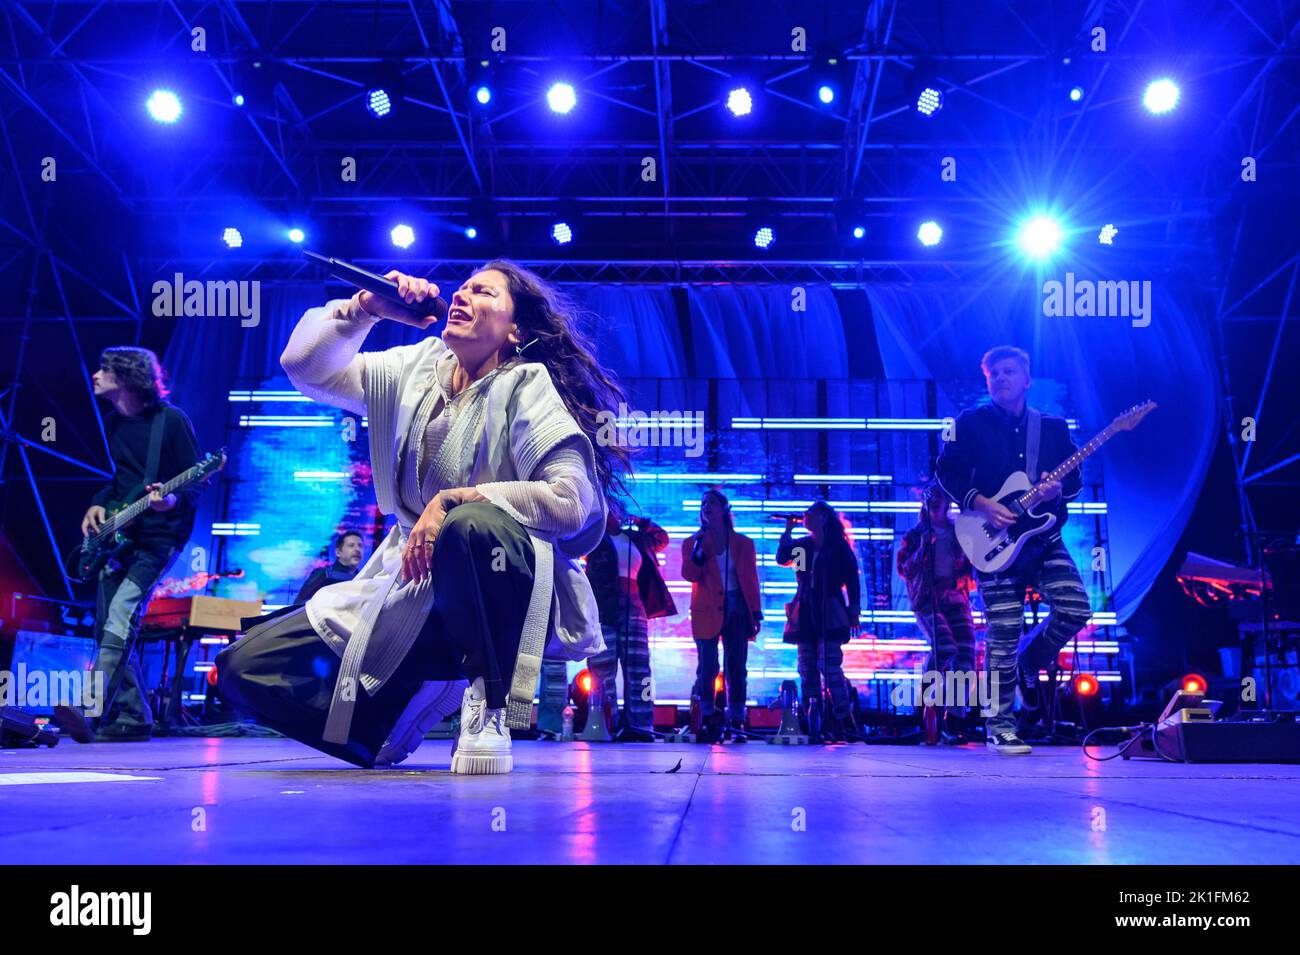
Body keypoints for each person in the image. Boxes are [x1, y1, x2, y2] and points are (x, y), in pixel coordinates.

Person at [217, 261, 628, 774]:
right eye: (462, 288)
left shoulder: (529, 383)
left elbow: (573, 502)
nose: (462, 295)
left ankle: (487, 704)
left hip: (500, 582)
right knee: (241, 669)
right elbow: (306, 368)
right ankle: (382, 722)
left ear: (515, 328)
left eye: (484, 292)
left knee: (473, 523)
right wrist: (367, 309)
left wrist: (458, 499)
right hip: (407, 590)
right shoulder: (414, 369)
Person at [935, 345, 1091, 755]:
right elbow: (945, 471)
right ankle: (999, 725)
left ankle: (1029, 662)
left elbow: (1075, 481)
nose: (1001, 379)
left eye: (1008, 372)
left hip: (1042, 538)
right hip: (993, 541)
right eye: (993, 375)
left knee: (1076, 608)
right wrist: (981, 502)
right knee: (1002, 632)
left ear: (1026, 379)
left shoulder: (1053, 428)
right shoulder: (969, 424)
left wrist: (1060, 488)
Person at [61, 347, 202, 743]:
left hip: (161, 538)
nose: (95, 374)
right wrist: (97, 502)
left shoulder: (170, 421)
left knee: (122, 613)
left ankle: (89, 708)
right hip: (121, 537)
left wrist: (169, 499)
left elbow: (196, 480)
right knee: (110, 626)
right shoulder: (114, 423)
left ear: (126, 376)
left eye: (104, 368)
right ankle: (135, 716)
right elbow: (119, 480)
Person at [584, 509, 676, 741]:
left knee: (639, 669)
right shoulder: (594, 539)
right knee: (602, 669)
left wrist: (641, 521)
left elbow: (662, 539)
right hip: (604, 607)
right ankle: (606, 723)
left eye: (616, 508)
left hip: (634, 606)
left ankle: (641, 725)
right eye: (608, 508)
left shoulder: (634, 537)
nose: (613, 512)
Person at [680, 489, 762, 743]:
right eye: (703, 503)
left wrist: (756, 613)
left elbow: (750, 579)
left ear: (724, 509)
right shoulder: (693, 542)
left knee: (736, 666)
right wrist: (698, 551)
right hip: (706, 610)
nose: (706, 507)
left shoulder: (743, 543)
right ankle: (707, 716)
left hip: (737, 608)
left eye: (712, 503)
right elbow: (689, 575)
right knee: (708, 667)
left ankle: (736, 717)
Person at [896, 487, 977, 742]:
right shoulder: (915, 535)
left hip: (956, 598)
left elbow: (974, 564)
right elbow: (904, 569)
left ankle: (954, 717)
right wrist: (922, 548)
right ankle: (926, 706)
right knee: (944, 647)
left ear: (946, 504)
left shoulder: (959, 533)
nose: (934, 504)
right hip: (927, 599)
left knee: (965, 655)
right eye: (930, 500)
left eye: (939, 499)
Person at [776, 501, 861, 743]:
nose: (805, 517)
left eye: (810, 514)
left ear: (823, 517)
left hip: (830, 609)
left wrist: (853, 611)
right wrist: (788, 531)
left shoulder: (838, 548)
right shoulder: (803, 546)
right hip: (805, 608)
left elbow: (852, 582)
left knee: (830, 666)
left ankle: (842, 718)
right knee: (807, 667)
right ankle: (812, 718)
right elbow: (783, 557)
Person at [294, 530, 365, 605]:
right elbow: (299, 603)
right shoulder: (323, 574)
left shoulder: (364, 579)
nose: (357, 550)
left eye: (360, 546)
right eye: (351, 545)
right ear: (338, 552)